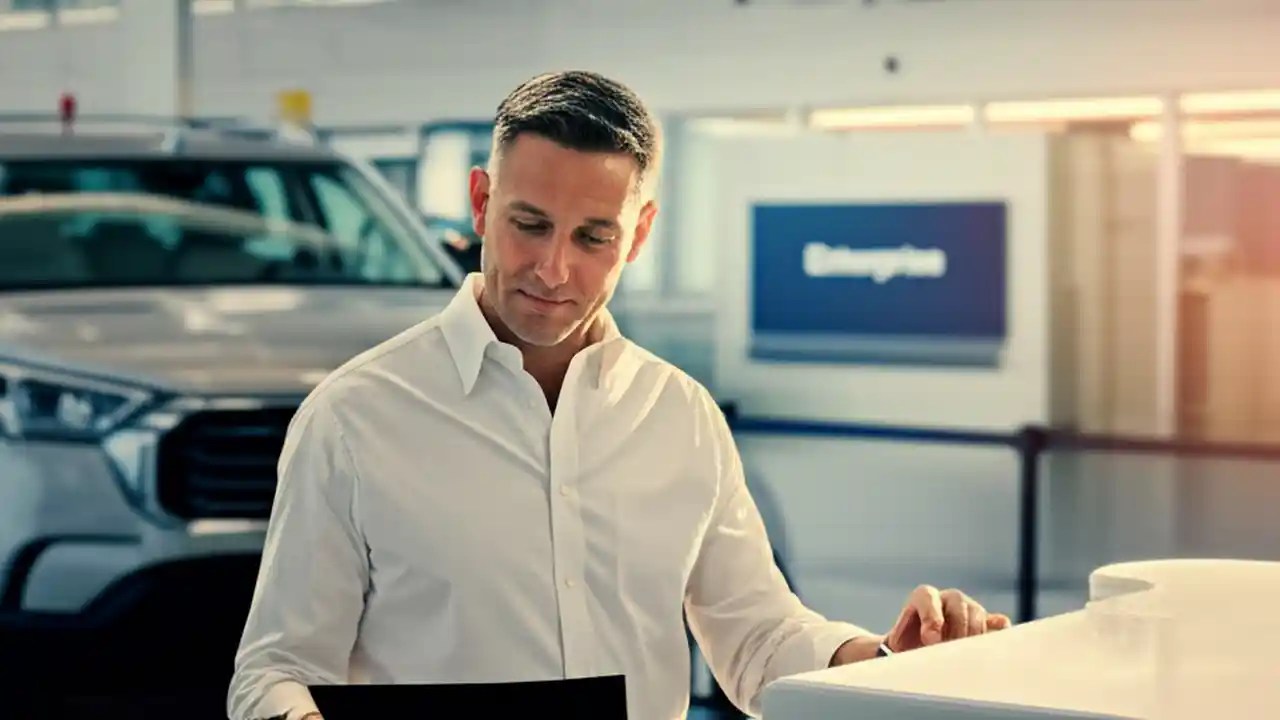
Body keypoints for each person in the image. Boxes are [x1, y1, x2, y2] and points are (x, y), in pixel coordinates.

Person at [226, 69, 1011, 720]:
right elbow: (274, 672)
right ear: (478, 203)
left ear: (638, 234)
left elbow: (759, 638)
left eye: (593, 237)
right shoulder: (354, 418)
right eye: (527, 224)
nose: (552, 269)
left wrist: (877, 664)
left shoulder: (680, 417)